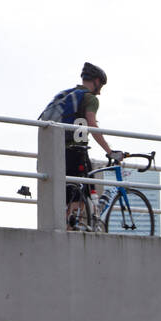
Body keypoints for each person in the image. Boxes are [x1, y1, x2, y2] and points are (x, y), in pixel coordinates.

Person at [47, 63, 123, 229]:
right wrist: (109, 151)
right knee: (78, 199)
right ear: (96, 81)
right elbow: (92, 125)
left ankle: (68, 227)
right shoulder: (90, 98)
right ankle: (70, 232)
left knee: (70, 195)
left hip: (57, 151)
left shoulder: (67, 95)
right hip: (77, 152)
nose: (100, 91)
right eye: (101, 85)